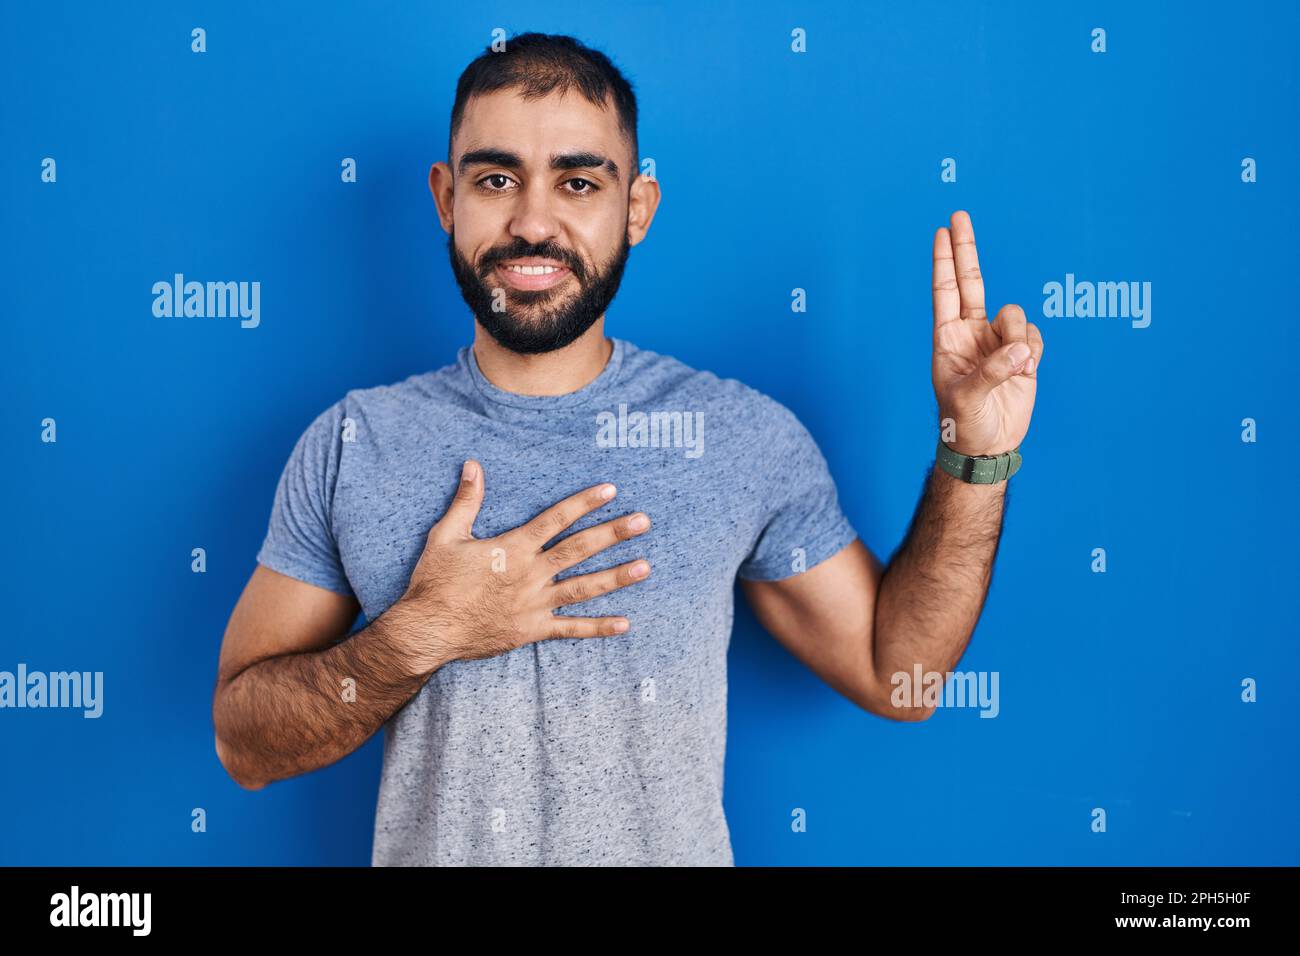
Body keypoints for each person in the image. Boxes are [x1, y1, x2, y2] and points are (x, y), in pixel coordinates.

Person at [212, 32, 1044, 866]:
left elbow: (897, 675)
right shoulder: (355, 441)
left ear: (637, 208)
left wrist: (974, 455)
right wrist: (421, 634)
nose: (533, 222)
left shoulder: (739, 437)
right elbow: (244, 746)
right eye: (496, 179)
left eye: (578, 182)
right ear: (445, 198)